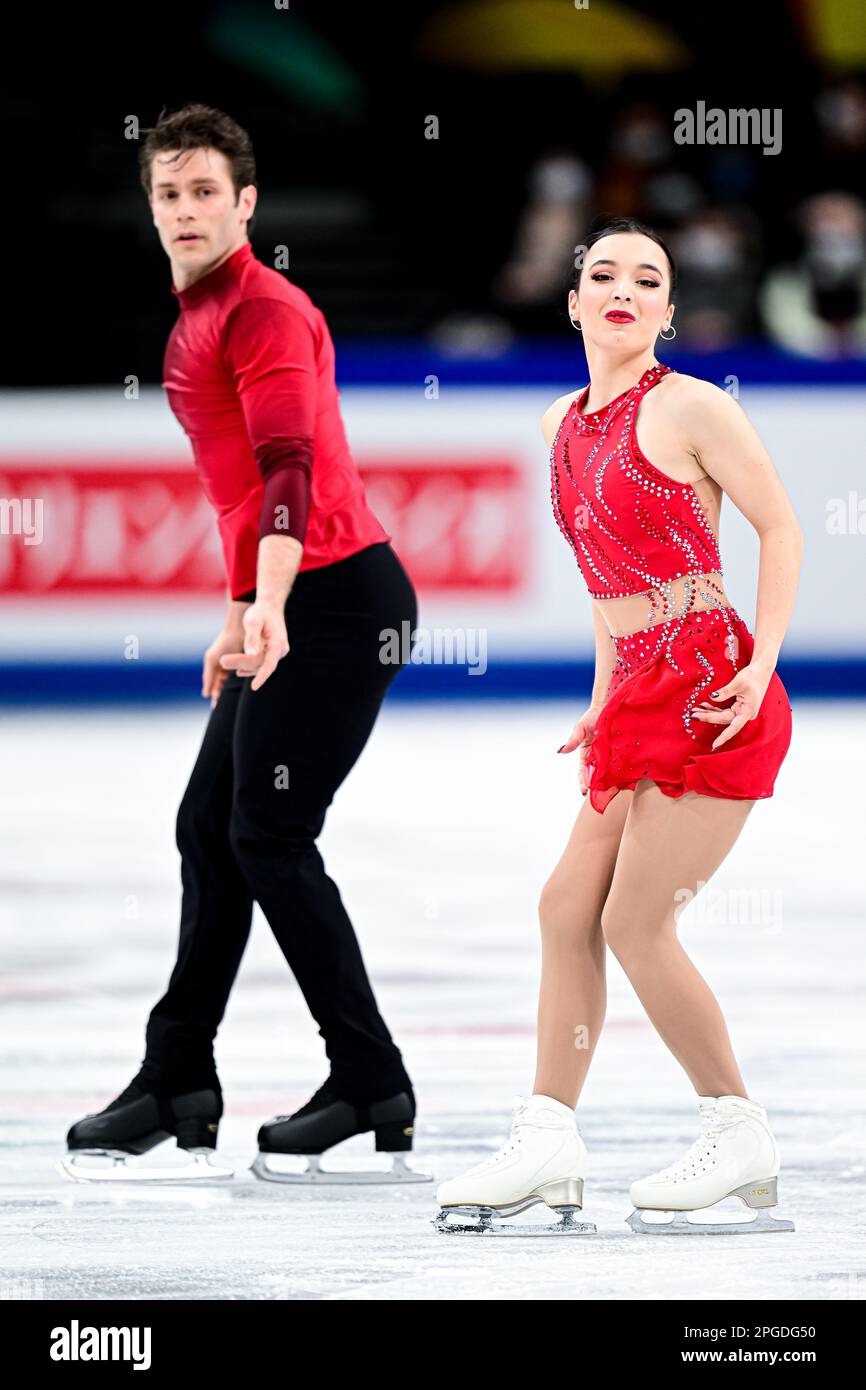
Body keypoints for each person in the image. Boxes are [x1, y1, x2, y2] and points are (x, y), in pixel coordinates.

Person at [61, 103, 421, 1185]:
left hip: (338, 600)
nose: (184, 209)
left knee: (264, 831)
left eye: (205, 191)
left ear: (246, 203)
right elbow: (233, 493)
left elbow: (284, 471)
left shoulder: (262, 312)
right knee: (208, 828)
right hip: (291, 596)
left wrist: (265, 603)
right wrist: (238, 609)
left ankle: (367, 1077)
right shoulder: (196, 317)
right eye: (168, 192)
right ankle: (177, 1075)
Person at [435, 216, 801, 1236]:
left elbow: (777, 526)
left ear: (668, 312)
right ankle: (547, 1135)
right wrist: (601, 694)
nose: (623, 289)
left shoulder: (691, 407)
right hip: (638, 689)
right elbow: (608, 580)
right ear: (573, 301)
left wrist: (759, 659)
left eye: (647, 278)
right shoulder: (560, 418)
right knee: (565, 905)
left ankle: (737, 1130)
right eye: (603, 274)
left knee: (632, 921)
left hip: (709, 688)